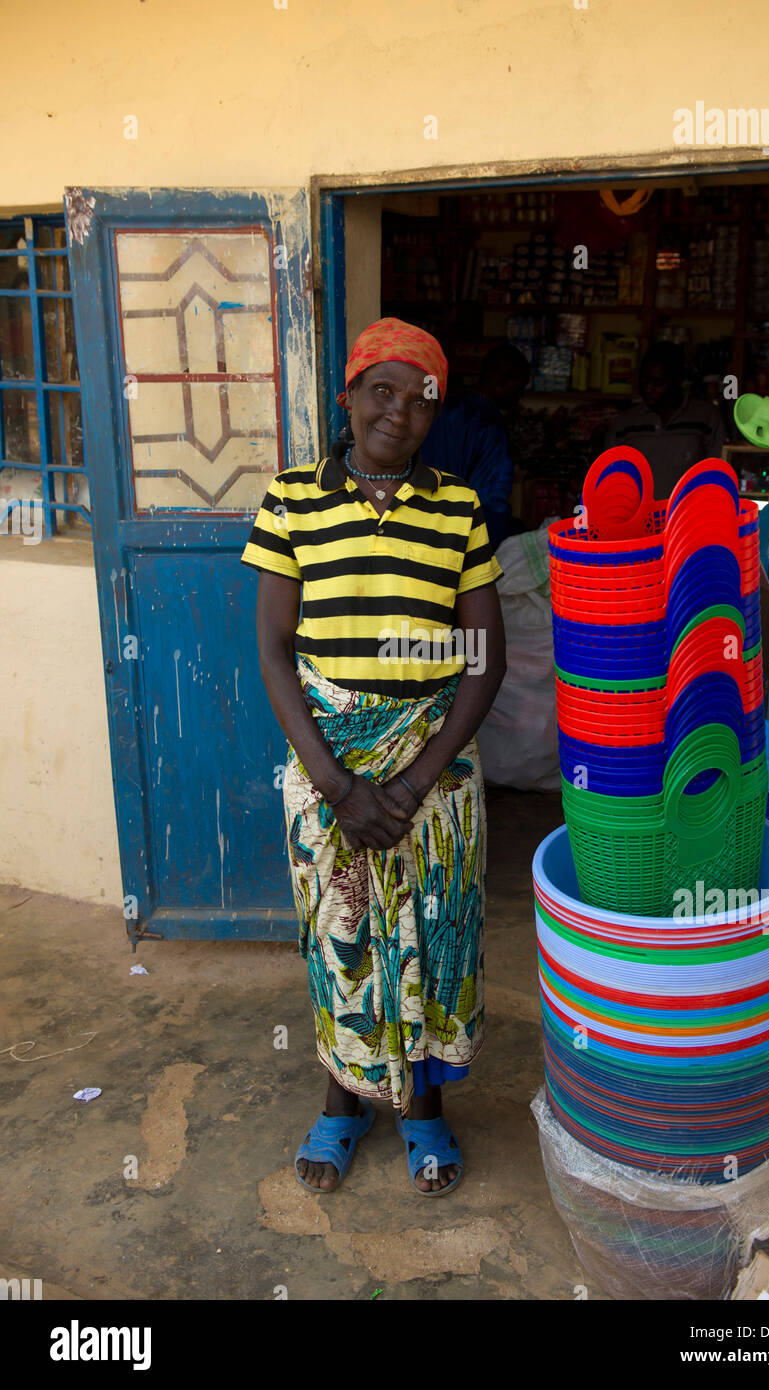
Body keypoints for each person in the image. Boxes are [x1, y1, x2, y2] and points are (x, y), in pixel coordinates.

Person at [242, 317, 506, 1197]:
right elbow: (277, 652)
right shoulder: (290, 499)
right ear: (349, 396)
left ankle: (425, 1114)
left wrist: (414, 777)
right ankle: (342, 1104)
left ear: (437, 412)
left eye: (419, 396)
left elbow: (482, 658)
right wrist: (337, 785)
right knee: (343, 939)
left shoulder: (458, 509)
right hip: (329, 771)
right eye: (380, 390)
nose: (398, 411)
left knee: (432, 939)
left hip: (430, 773)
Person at [420, 342, 530, 550]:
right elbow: (491, 503)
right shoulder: (490, 426)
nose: (520, 397)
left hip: (420, 527)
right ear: (502, 383)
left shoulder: (441, 409)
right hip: (461, 540)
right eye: (519, 388)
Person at [604, 342, 727, 499]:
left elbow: (719, 476)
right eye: (644, 382)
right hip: (637, 520)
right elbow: (611, 480)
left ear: (678, 381)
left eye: (658, 383)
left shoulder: (707, 418)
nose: (648, 389)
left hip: (690, 518)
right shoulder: (624, 424)